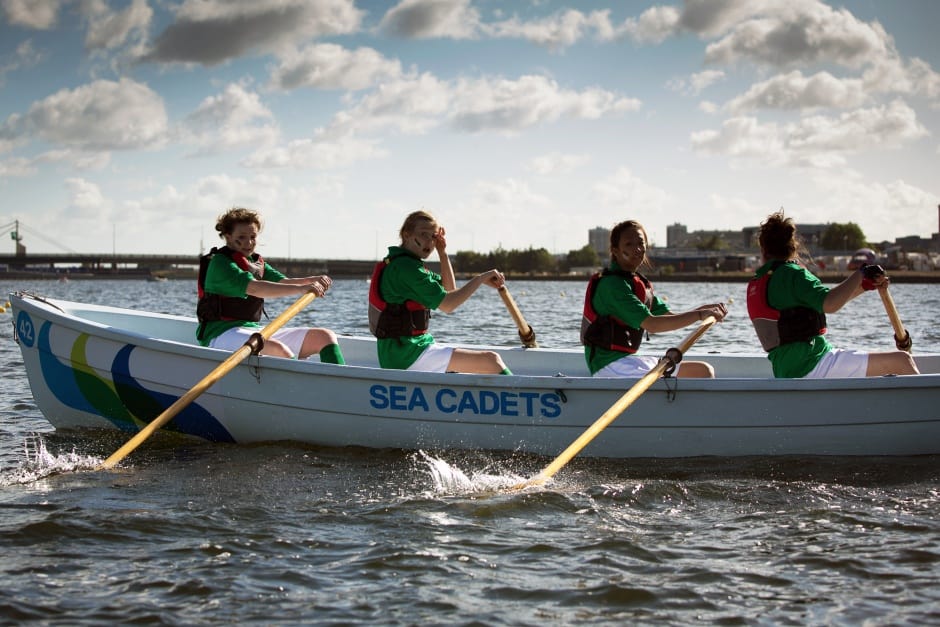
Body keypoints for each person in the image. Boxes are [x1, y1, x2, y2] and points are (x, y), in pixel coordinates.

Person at [746, 210, 918, 378]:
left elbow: (829, 300)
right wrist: (861, 273)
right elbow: (830, 304)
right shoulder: (793, 274)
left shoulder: (759, 281)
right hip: (812, 363)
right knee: (903, 361)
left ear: (763, 250)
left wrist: (864, 286)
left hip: (786, 369)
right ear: (793, 246)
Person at [369, 210, 511, 374]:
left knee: (474, 367)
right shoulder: (405, 268)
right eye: (423, 234)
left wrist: (442, 253)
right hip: (405, 355)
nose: (429, 242)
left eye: (433, 236)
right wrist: (480, 279)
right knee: (491, 360)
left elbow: (449, 290)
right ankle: (519, 390)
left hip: (413, 349)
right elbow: (448, 305)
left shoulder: (409, 264)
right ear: (407, 235)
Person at [196, 207, 345, 364]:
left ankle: (337, 378)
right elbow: (255, 288)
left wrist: (311, 281)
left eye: (253, 237)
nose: (249, 242)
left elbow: (283, 282)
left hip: (252, 329)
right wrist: (301, 289)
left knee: (324, 337)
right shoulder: (221, 263)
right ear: (228, 237)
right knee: (278, 349)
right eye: (242, 237)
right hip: (220, 334)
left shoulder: (254, 263)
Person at [582, 220, 727, 378]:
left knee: (703, 371)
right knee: (702, 373)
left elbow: (668, 317)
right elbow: (652, 324)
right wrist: (699, 315)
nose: (637, 249)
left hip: (628, 361)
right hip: (609, 367)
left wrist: (702, 311)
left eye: (641, 243)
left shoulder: (637, 284)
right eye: (629, 244)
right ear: (615, 251)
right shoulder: (612, 285)